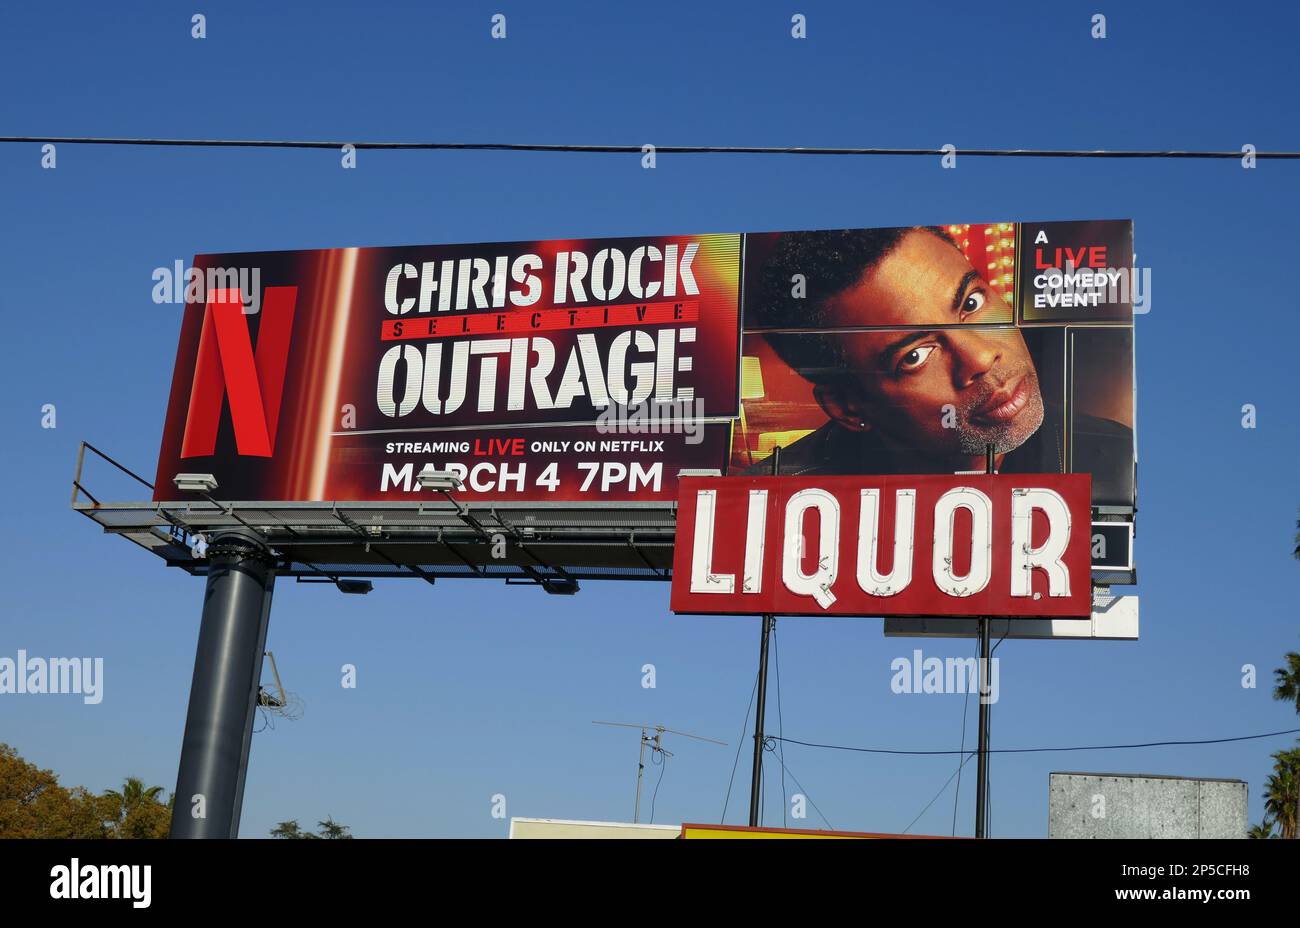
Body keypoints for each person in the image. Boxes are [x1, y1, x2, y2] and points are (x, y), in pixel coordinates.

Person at [745, 226, 1132, 499]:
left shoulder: (1114, 459)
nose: (981, 357)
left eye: (971, 303)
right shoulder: (765, 499)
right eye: (914, 356)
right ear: (848, 407)